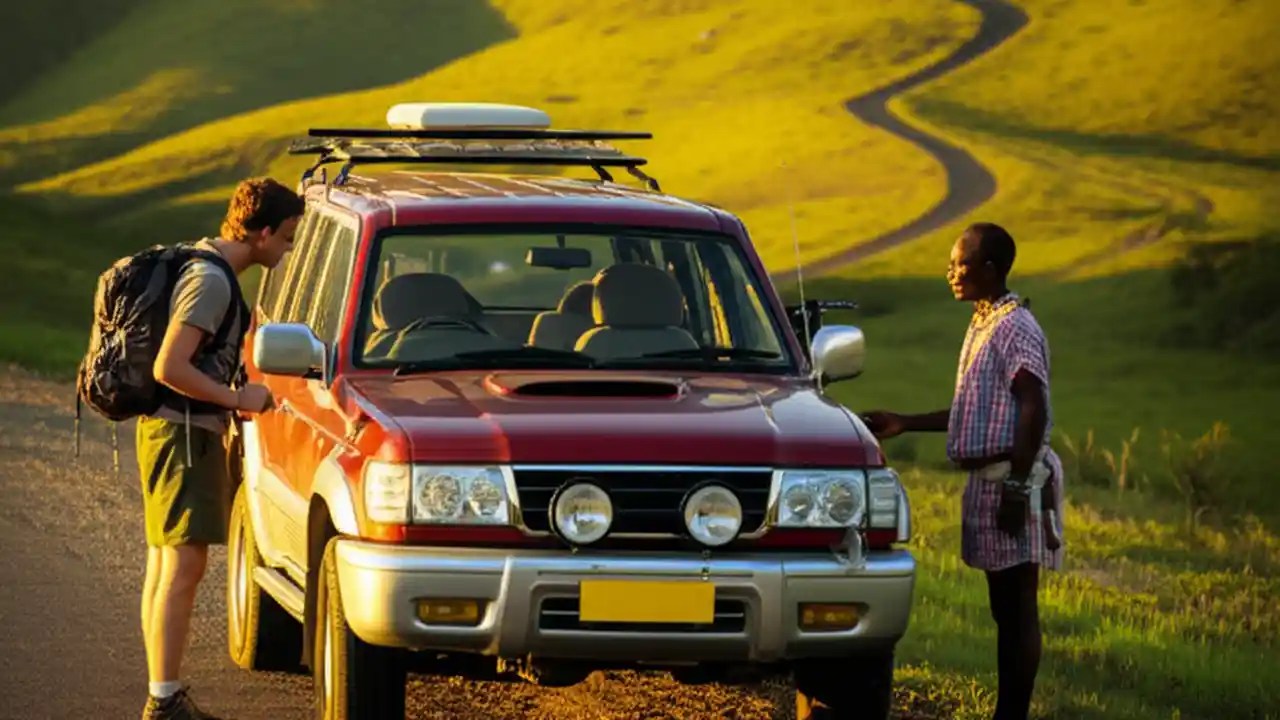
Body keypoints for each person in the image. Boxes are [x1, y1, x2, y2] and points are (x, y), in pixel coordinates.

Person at [862, 222, 1064, 720]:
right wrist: (905, 423)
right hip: (992, 479)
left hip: (1010, 481)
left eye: (960, 263)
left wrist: (1016, 487)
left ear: (991, 269)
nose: (950, 272)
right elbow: (977, 413)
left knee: (1017, 609)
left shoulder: (1015, 326)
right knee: (1004, 608)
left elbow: (1032, 406)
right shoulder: (984, 321)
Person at [138, 177, 303, 720]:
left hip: (174, 430)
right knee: (182, 565)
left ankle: (164, 693)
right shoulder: (211, 282)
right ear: (261, 233)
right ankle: (164, 702)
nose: (286, 250)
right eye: (285, 238)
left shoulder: (211, 268)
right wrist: (238, 398)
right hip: (182, 432)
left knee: (168, 564)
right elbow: (170, 366)